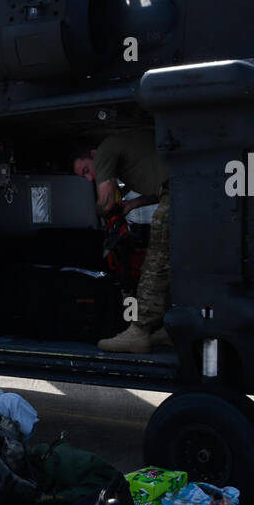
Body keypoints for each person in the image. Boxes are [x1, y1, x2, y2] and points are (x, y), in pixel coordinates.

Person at [74, 129, 172, 353]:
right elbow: (160, 188)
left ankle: (140, 331)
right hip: (180, 187)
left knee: (156, 260)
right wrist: (132, 205)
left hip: (177, 189)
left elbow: (106, 203)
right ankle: (171, 326)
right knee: (176, 262)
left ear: (93, 154)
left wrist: (105, 212)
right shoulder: (133, 154)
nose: (89, 177)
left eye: (86, 170)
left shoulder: (105, 150)